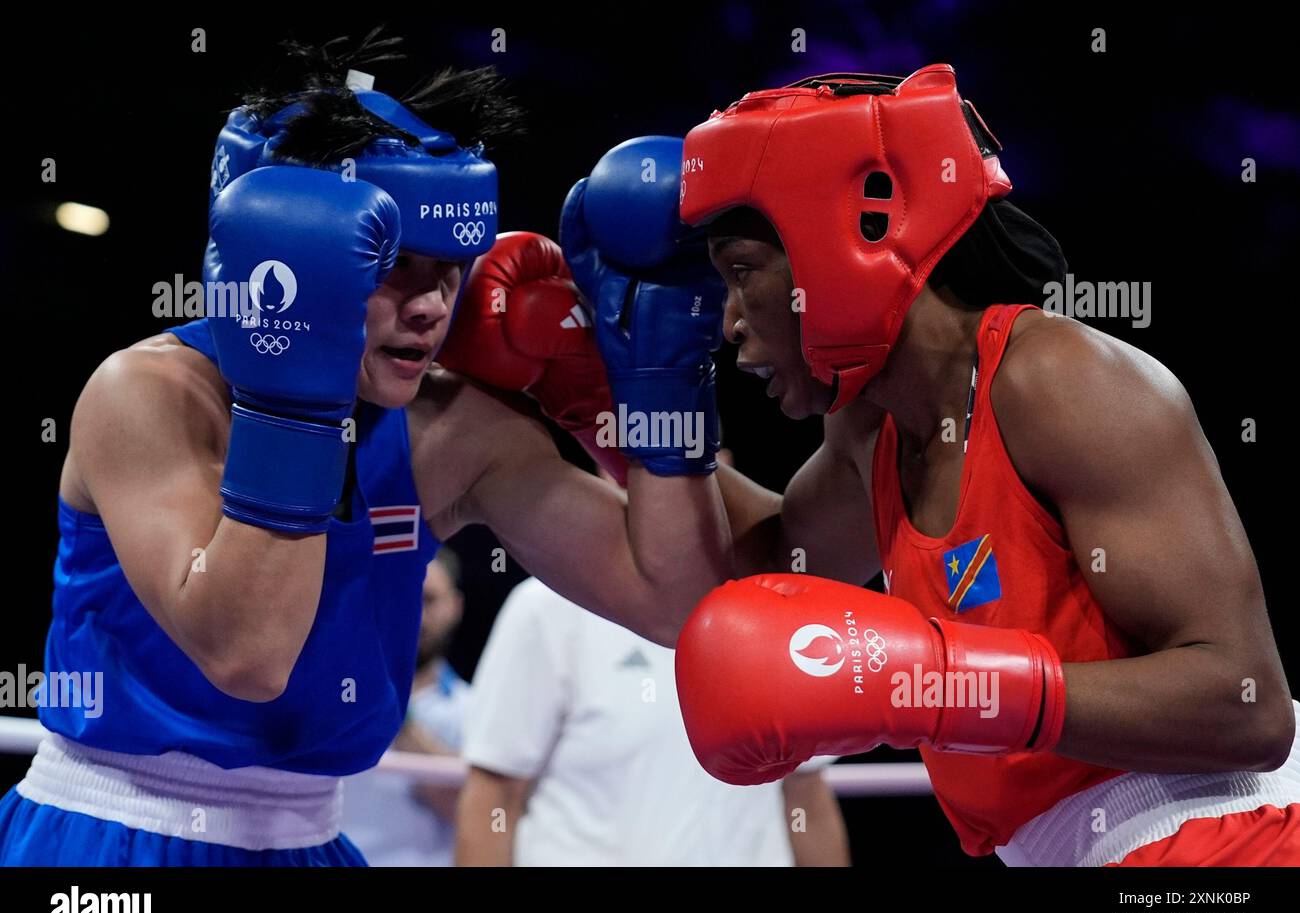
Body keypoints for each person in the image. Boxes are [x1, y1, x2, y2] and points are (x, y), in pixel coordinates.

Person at [0, 32, 728, 866]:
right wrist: (298, 389)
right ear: (284, 259)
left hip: (312, 839)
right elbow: (248, 655)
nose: (431, 306)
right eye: (392, 266)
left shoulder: (452, 429)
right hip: (110, 835)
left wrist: (654, 396)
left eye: (450, 269)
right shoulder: (150, 396)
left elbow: (677, 605)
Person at [562, 65, 1298, 866]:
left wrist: (949, 685)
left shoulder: (1057, 381)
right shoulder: (875, 431)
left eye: (741, 272)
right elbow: (754, 570)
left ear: (845, 239)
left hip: (1228, 840)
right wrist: (606, 401)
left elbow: (1246, 708)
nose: (729, 324)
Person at [456, 574, 849, 866]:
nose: (663, 489)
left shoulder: (777, 610)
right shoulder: (546, 608)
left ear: (722, 466)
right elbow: (493, 795)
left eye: (682, 464)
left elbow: (806, 796)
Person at [341, 551, 467, 866]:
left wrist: (392, 706)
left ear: (455, 606)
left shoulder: (476, 709)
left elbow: (467, 808)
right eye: (406, 597)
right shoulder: (336, 696)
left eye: (429, 600)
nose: (416, 616)